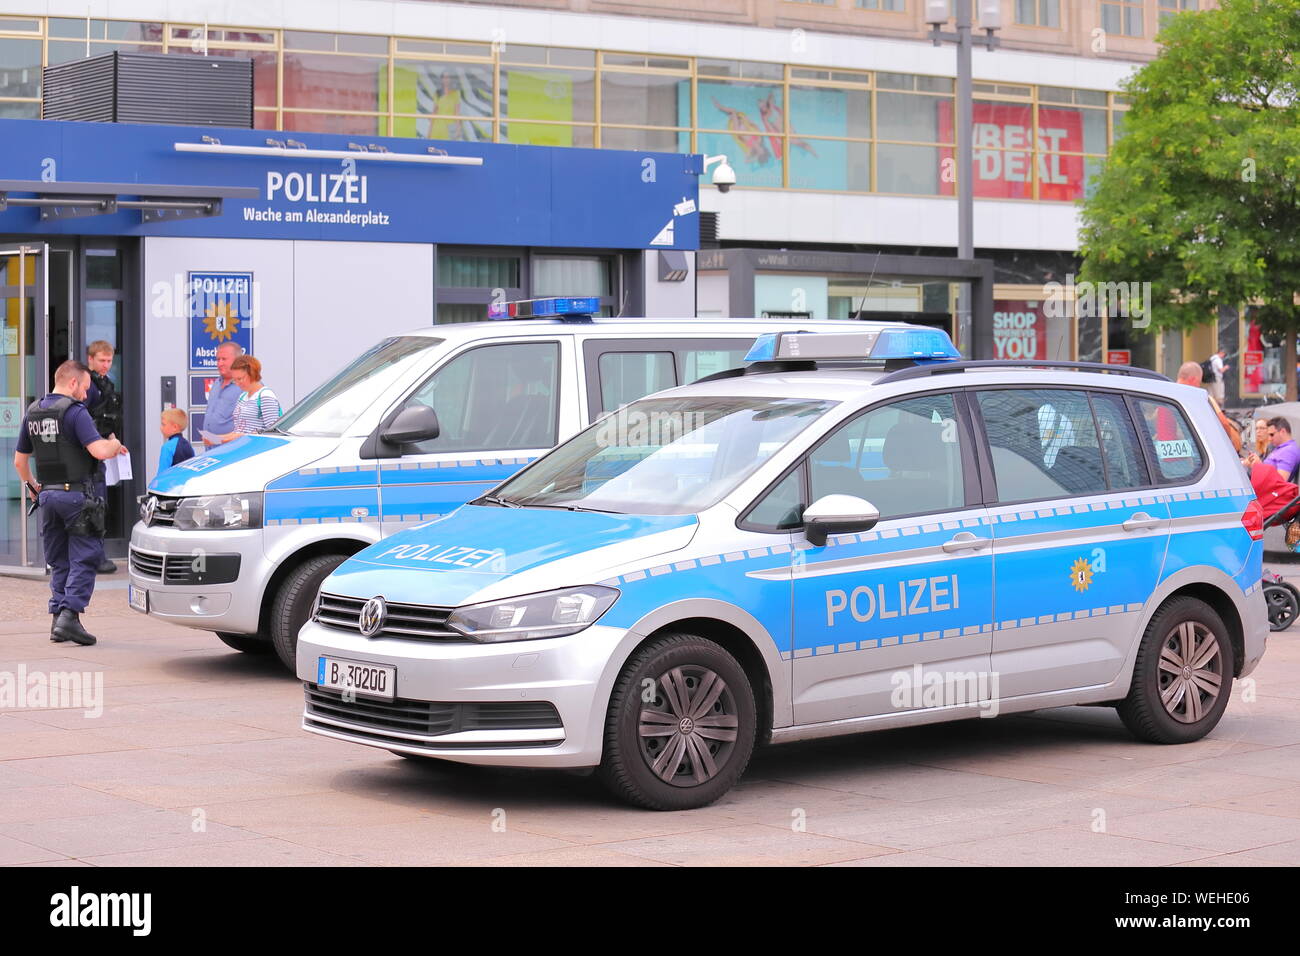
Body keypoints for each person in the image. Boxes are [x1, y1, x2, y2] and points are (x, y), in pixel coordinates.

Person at [13, 360, 128, 646]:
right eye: (85, 388)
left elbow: (19, 461)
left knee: (59, 559)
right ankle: (70, 616)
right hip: (77, 496)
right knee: (85, 557)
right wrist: (114, 444)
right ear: (73, 382)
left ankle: (58, 620)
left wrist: (32, 486)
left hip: (48, 496)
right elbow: (99, 451)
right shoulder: (75, 413)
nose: (86, 395)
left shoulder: (33, 411)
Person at [83, 340, 124, 574]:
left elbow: (105, 421)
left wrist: (114, 440)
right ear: (90, 360)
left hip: (100, 452)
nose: (106, 365)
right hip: (89, 455)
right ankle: (95, 558)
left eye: (109, 360)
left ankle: (95, 556)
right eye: (101, 360)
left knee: (99, 504)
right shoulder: (88, 386)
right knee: (95, 506)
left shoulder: (106, 385)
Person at [1176, 360, 1241, 452]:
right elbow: (1224, 423)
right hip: (1196, 453)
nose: (1198, 386)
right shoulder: (1202, 397)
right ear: (1193, 379)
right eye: (1198, 382)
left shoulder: (1165, 396)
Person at [216, 355, 282, 441]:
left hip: (257, 449)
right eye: (234, 380)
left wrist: (242, 436)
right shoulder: (242, 396)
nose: (237, 383)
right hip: (243, 448)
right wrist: (215, 439)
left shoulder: (265, 396)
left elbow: (273, 432)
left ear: (252, 374)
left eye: (240, 379)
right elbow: (238, 430)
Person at [202, 341, 244, 448]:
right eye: (218, 359)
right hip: (212, 451)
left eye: (224, 359)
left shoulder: (247, 386)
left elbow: (252, 429)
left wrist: (217, 439)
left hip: (233, 453)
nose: (219, 363)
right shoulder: (216, 383)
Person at [1245, 417, 1300, 481]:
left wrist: (1259, 465)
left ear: (1283, 431)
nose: (1269, 439)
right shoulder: (1281, 448)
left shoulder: (1289, 451)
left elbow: (1280, 481)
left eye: (1272, 435)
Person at [157, 408, 196, 478]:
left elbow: (161, 474)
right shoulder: (188, 445)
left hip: (171, 486)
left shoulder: (167, 447)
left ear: (175, 427)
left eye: (163, 424)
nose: (161, 428)